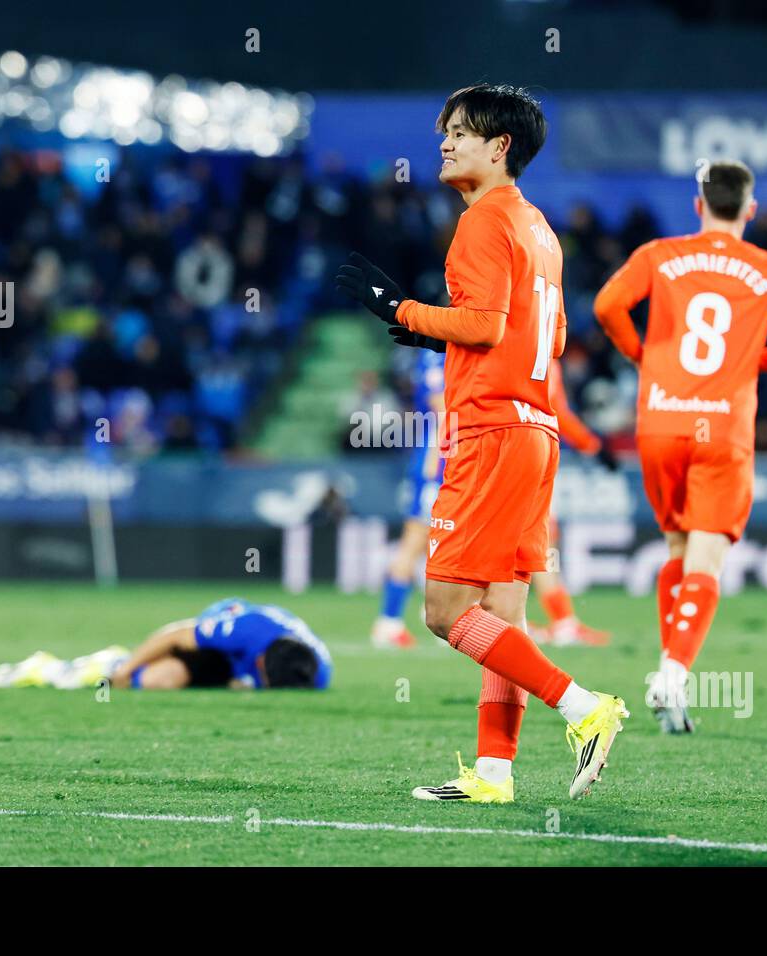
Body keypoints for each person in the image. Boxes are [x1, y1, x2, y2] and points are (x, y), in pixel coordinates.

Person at [336, 84, 627, 804]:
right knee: (503, 616)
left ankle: (583, 705)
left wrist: (398, 308)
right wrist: (432, 328)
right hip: (535, 431)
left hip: (490, 431)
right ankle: (495, 774)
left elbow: (489, 325)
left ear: (500, 148)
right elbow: (548, 338)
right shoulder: (540, 230)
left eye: (461, 133)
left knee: (441, 612)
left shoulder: (480, 222)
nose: (445, 142)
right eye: (446, 131)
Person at [593, 160, 767, 732]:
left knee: (675, 548)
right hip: (720, 427)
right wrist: (752, 363)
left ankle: (672, 682)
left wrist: (641, 356)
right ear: (750, 209)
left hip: (662, 423)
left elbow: (605, 307)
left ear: (698, 207)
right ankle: (672, 673)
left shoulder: (659, 254)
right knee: (706, 558)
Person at [0, 597, 332, 691]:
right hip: (224, 638)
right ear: (258, 666)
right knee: (159, 679)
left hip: (243, 662)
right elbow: (174, 634)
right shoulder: (242, 629)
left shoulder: (316, 670)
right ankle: (66, 668)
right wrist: (126, 671)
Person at [528, 357, 614, 646]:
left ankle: (479, 614)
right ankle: (468, 613)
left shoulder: (498, 340)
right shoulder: (542, 354)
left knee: (534, 544)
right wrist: (592, 445)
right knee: (539, 542)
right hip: (527, 456)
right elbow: (557, 410)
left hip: (504, 452)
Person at [370, 348, 445, 649]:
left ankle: (437, 610)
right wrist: (433, 468)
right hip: (437, 464)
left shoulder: (432, 355)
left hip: (438, 462)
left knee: (441, 541)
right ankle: (388, 621)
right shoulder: (438, 357)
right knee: (415, 539)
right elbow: (444, 411)